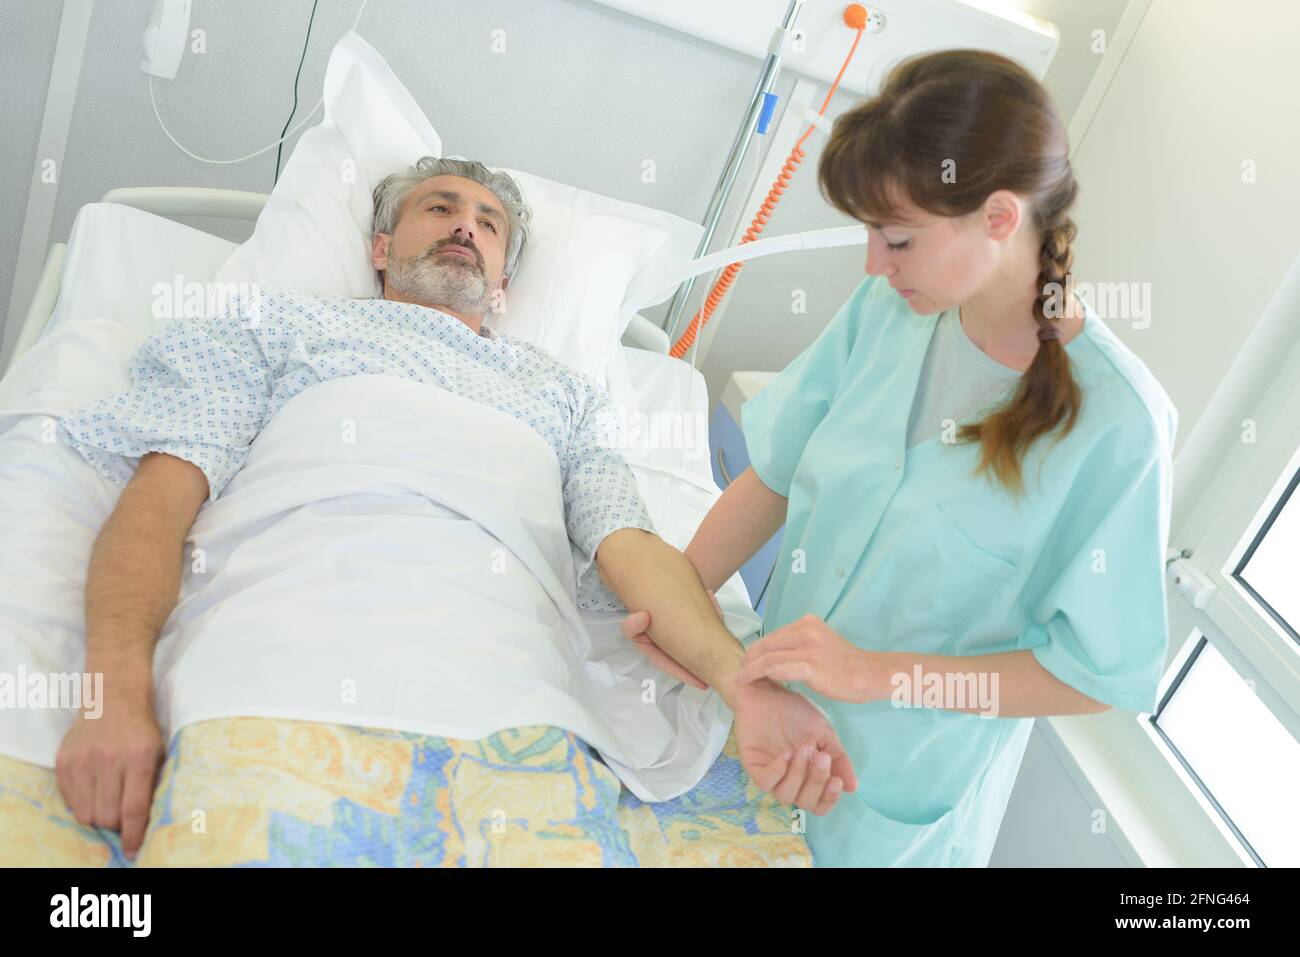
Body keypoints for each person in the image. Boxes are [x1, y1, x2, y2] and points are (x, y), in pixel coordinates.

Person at [53, 157, 855, 860]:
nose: (465, 227)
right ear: (379, 249)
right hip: (288, 643)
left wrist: (733, 677)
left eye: (489, 223)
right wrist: (114, 693)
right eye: (438, 208)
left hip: (508, 685)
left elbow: (631, 543)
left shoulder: (563, 395)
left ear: (503, 284)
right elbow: (158, 500)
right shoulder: (277, 328)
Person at [621, 49, 1177, 866]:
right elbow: (773, 477)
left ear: (998, 217)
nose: (875, 264)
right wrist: (683, 608)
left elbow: (1092, 676)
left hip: (888, 803)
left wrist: (879, 675)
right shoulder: (889, 311)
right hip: (764, 728)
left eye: (899, 239)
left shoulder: (1118, 430)